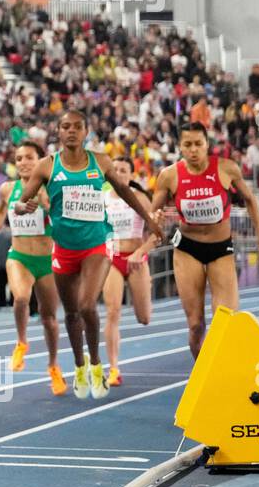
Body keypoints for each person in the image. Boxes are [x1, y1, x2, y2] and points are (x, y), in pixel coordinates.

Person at [15, 110, 162, 399]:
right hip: (64, 249)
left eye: (77, 127)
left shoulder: (100, 161)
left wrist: (150, 219)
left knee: (86, 306)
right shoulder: (47, 166)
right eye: (66, 126)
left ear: (85, 132)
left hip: (97, 244)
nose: (71, 131)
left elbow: (127, 191)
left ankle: (96, 365)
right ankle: (79, 367)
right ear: (58, 131)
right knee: (70, 313)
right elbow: (21, 202)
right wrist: (24, 207)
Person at [149, 122, 259, 357]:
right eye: (188, 144)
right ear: (180, 147)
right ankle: (202, 376)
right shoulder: (169, 176)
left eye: (198, 143)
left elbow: (250, 201)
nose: (194, 149)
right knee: (196, 325)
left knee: (225, 320)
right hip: (187, 249)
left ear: (207, 144)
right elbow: (151, 214)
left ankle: (220, 370)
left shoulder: (226, 169)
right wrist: (154, 218)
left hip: (221, 249)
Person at [0, 141, 67, 394]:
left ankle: (53, 367)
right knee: (20, 298)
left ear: (41, 161)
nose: (23, 163)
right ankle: (21, 342)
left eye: (29, 157)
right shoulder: (7, 188)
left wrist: (46, 203)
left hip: (47, 261)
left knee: (49, 319)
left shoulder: (50, 188)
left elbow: (62, 217)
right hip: (19, 257)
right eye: (19, 159)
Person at [102, 156, 156, 385]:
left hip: (136, 259)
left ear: (131, 175)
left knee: (144, 317)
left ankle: (146, 291)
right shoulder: (101, 199)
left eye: (123, 170)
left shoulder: (141, 198)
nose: (118, 173)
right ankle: (113, 368)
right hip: (111, 259)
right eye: (114, 170)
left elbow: (157, 234)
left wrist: (139, 252)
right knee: (112, 312)